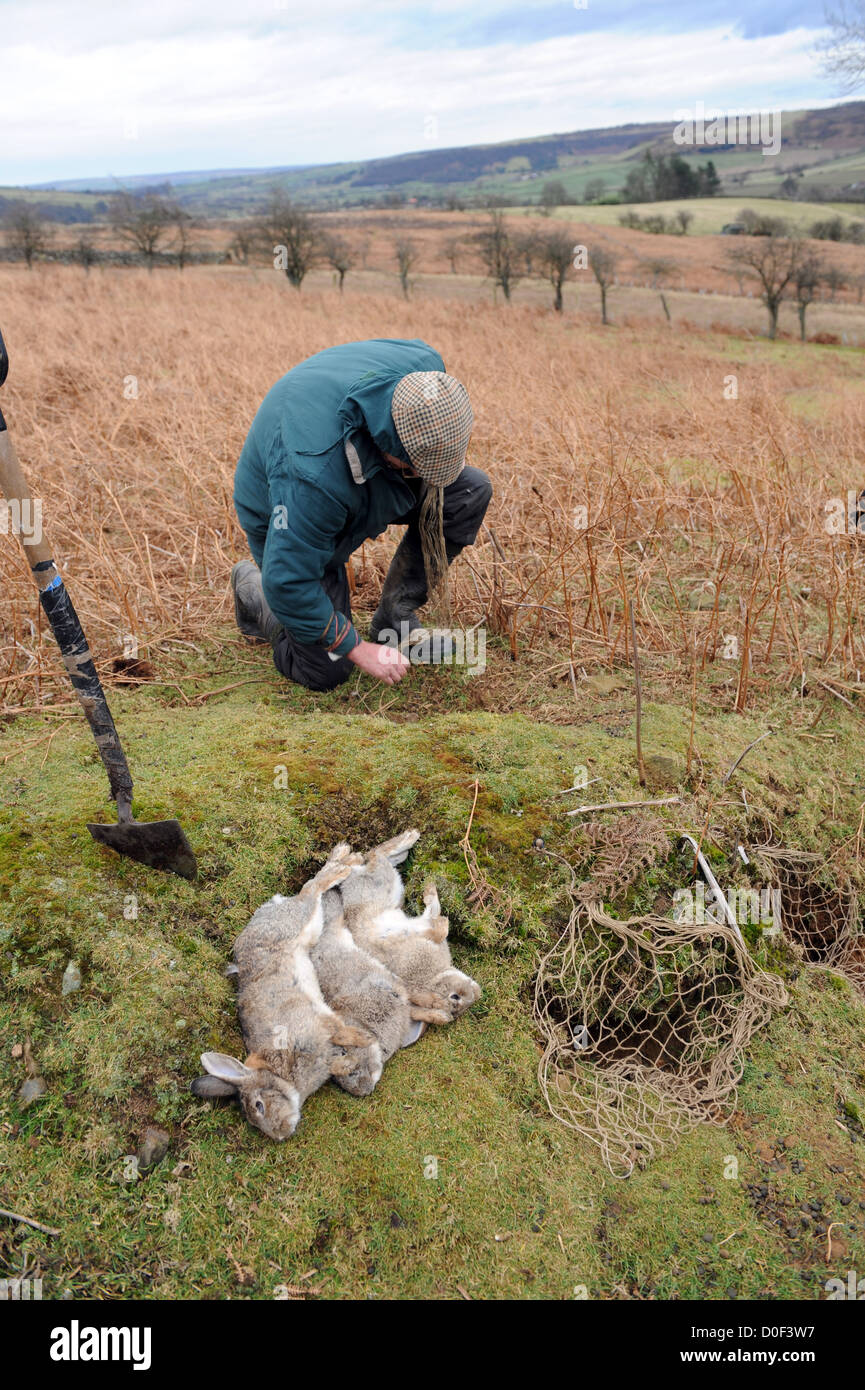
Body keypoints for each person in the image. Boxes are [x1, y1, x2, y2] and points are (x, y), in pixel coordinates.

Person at [231, 338, 492, 690]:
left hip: (354, 466)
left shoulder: (426, 374)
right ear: (394, 450)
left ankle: (394, 618)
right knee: (328, 670)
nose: (428, 479)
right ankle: (258, 596)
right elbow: (289, 582)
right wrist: (356, 648)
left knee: (467, 490)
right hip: (282, 506)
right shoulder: (312, 477)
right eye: (421, 468)